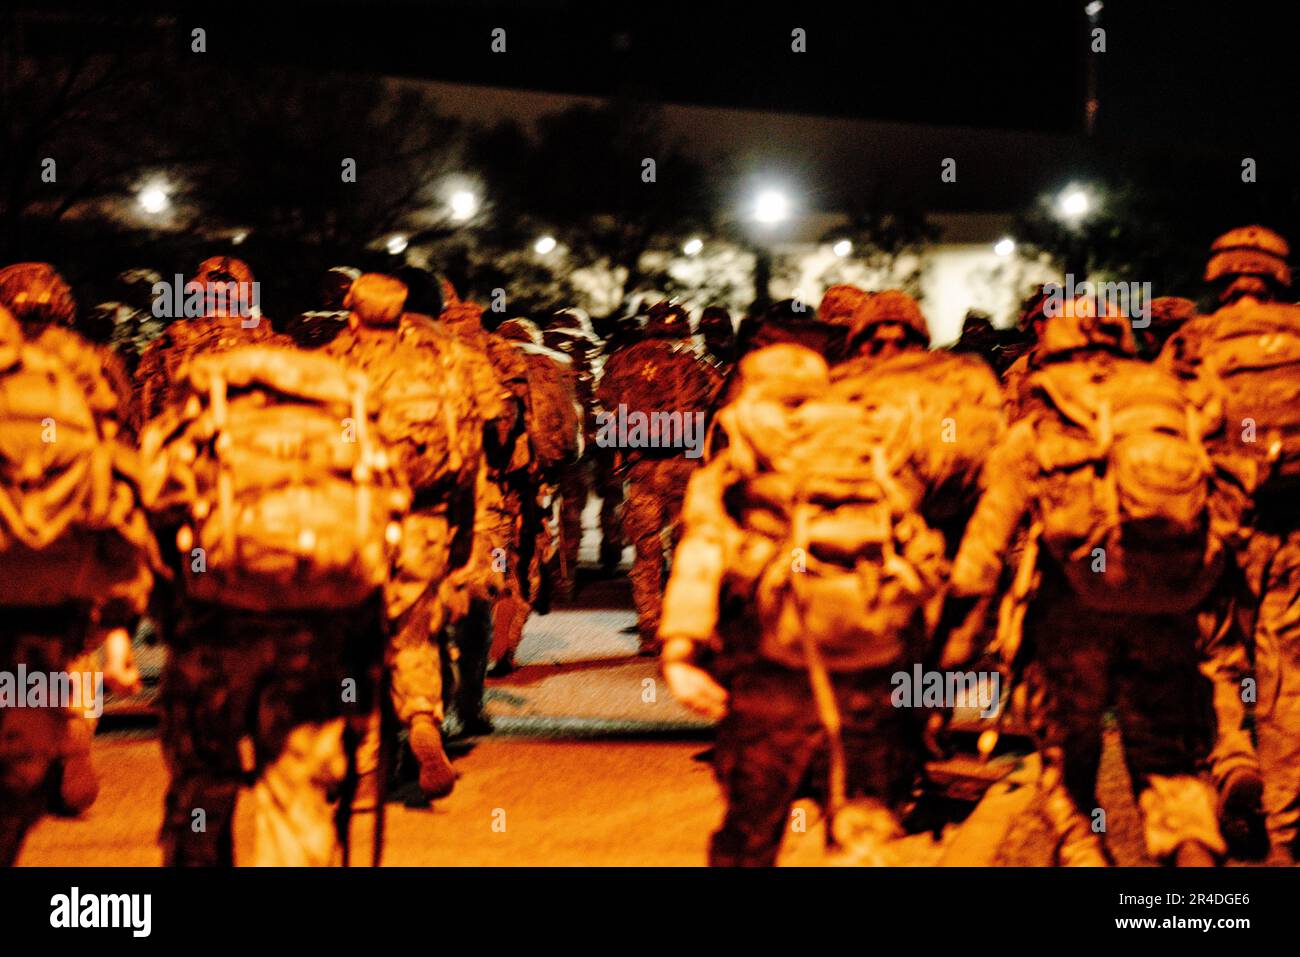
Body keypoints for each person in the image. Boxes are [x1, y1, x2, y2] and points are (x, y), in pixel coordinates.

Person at [949, 296, 1229, 866]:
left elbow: (981, 555)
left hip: (1066, 624)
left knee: (1068, 774)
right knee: (1171, 766)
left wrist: (952, 659)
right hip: (1164, 612)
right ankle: (1196, 879)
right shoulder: (1169, 405)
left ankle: (1084, 853)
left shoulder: (1041, 417)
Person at [0, 265, 157, 864]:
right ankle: (70, 738)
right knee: (67, 647)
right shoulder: (92, 365)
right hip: (68, 548)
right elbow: (121, 457)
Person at [1160, 225, 1300, 864]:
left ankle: (1231, 756)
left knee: (1217, 658)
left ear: (1218, 277)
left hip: (1216, 530)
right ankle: (1288, 828)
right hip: (1292, 531)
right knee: (1286, 675)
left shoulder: (1193, 341)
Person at [323, 273, 482, 799]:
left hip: (351, 522)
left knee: (357, 645)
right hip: (423, 519)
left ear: (352, 314)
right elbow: (468, 453)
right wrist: (461, 533)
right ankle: (421, 719)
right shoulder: (440, 365)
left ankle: (367, 767)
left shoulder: (327, 366)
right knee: (415, 636)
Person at [597, 301, 721, 653]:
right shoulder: (698, 361)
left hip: (641, 468)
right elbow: (719, 404)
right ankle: (682, 627)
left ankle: (649, 628)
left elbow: (605, 402)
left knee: (646, 552)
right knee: (684, 549)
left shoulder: (621, 361)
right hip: (685, 467)